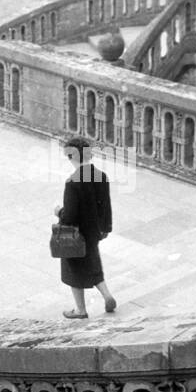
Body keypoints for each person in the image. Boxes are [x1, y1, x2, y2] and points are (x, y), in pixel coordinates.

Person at [55, 136, 117, 319]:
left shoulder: (73, 183)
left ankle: (81, 310)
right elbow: (106, 206)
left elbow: (70, 216)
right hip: (94, 232)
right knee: (93, 264)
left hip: (76, 234)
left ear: (71, 157)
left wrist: (59, 211)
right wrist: (106, 228)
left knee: (73, 270)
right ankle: (107, 296)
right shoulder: (101, 176)